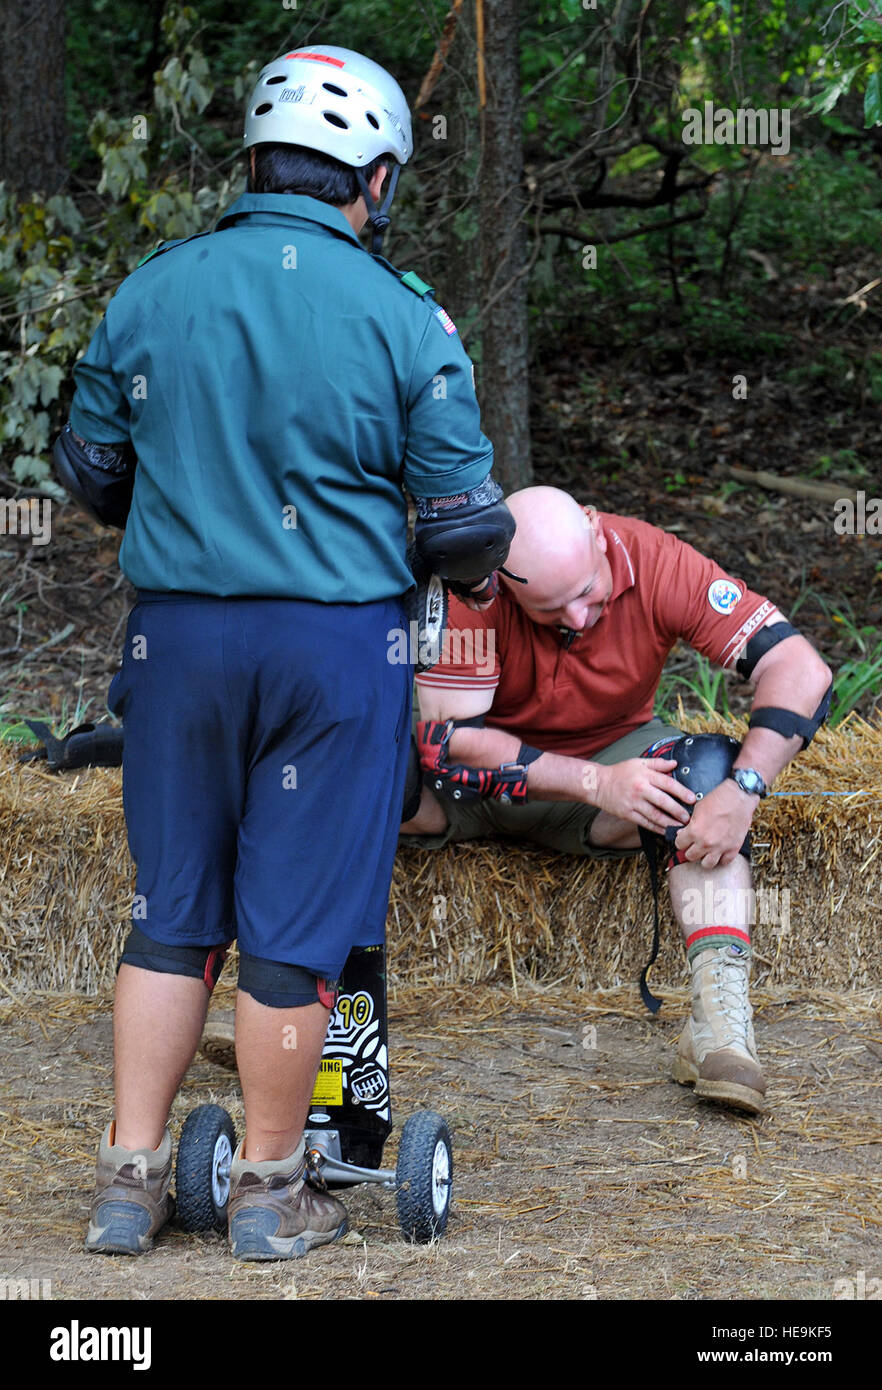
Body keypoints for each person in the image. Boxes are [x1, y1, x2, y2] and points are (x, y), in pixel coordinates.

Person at [53, 45, 514, 1261]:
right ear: (374, 178)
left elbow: (91, 471)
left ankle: (129, 1178)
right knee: (295, 930)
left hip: (178, 642)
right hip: (333, 654)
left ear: (253, 158)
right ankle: (269, 1190)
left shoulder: (152, 288)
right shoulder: (404, 317)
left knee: (171, 916)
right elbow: (466, 529)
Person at [401, 487, 833, 1116]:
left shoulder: (654, 560)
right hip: (469, 787)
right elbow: (451, 744)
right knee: (358, 771)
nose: (577, 618)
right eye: (552, 608)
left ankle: (717, 1028)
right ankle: (282, 992)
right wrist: (596, 784)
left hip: (609, 765)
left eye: (586, 593)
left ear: (598, 534)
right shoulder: (474, 584)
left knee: (706, 773)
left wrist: (742, 792)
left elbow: (802, 670)